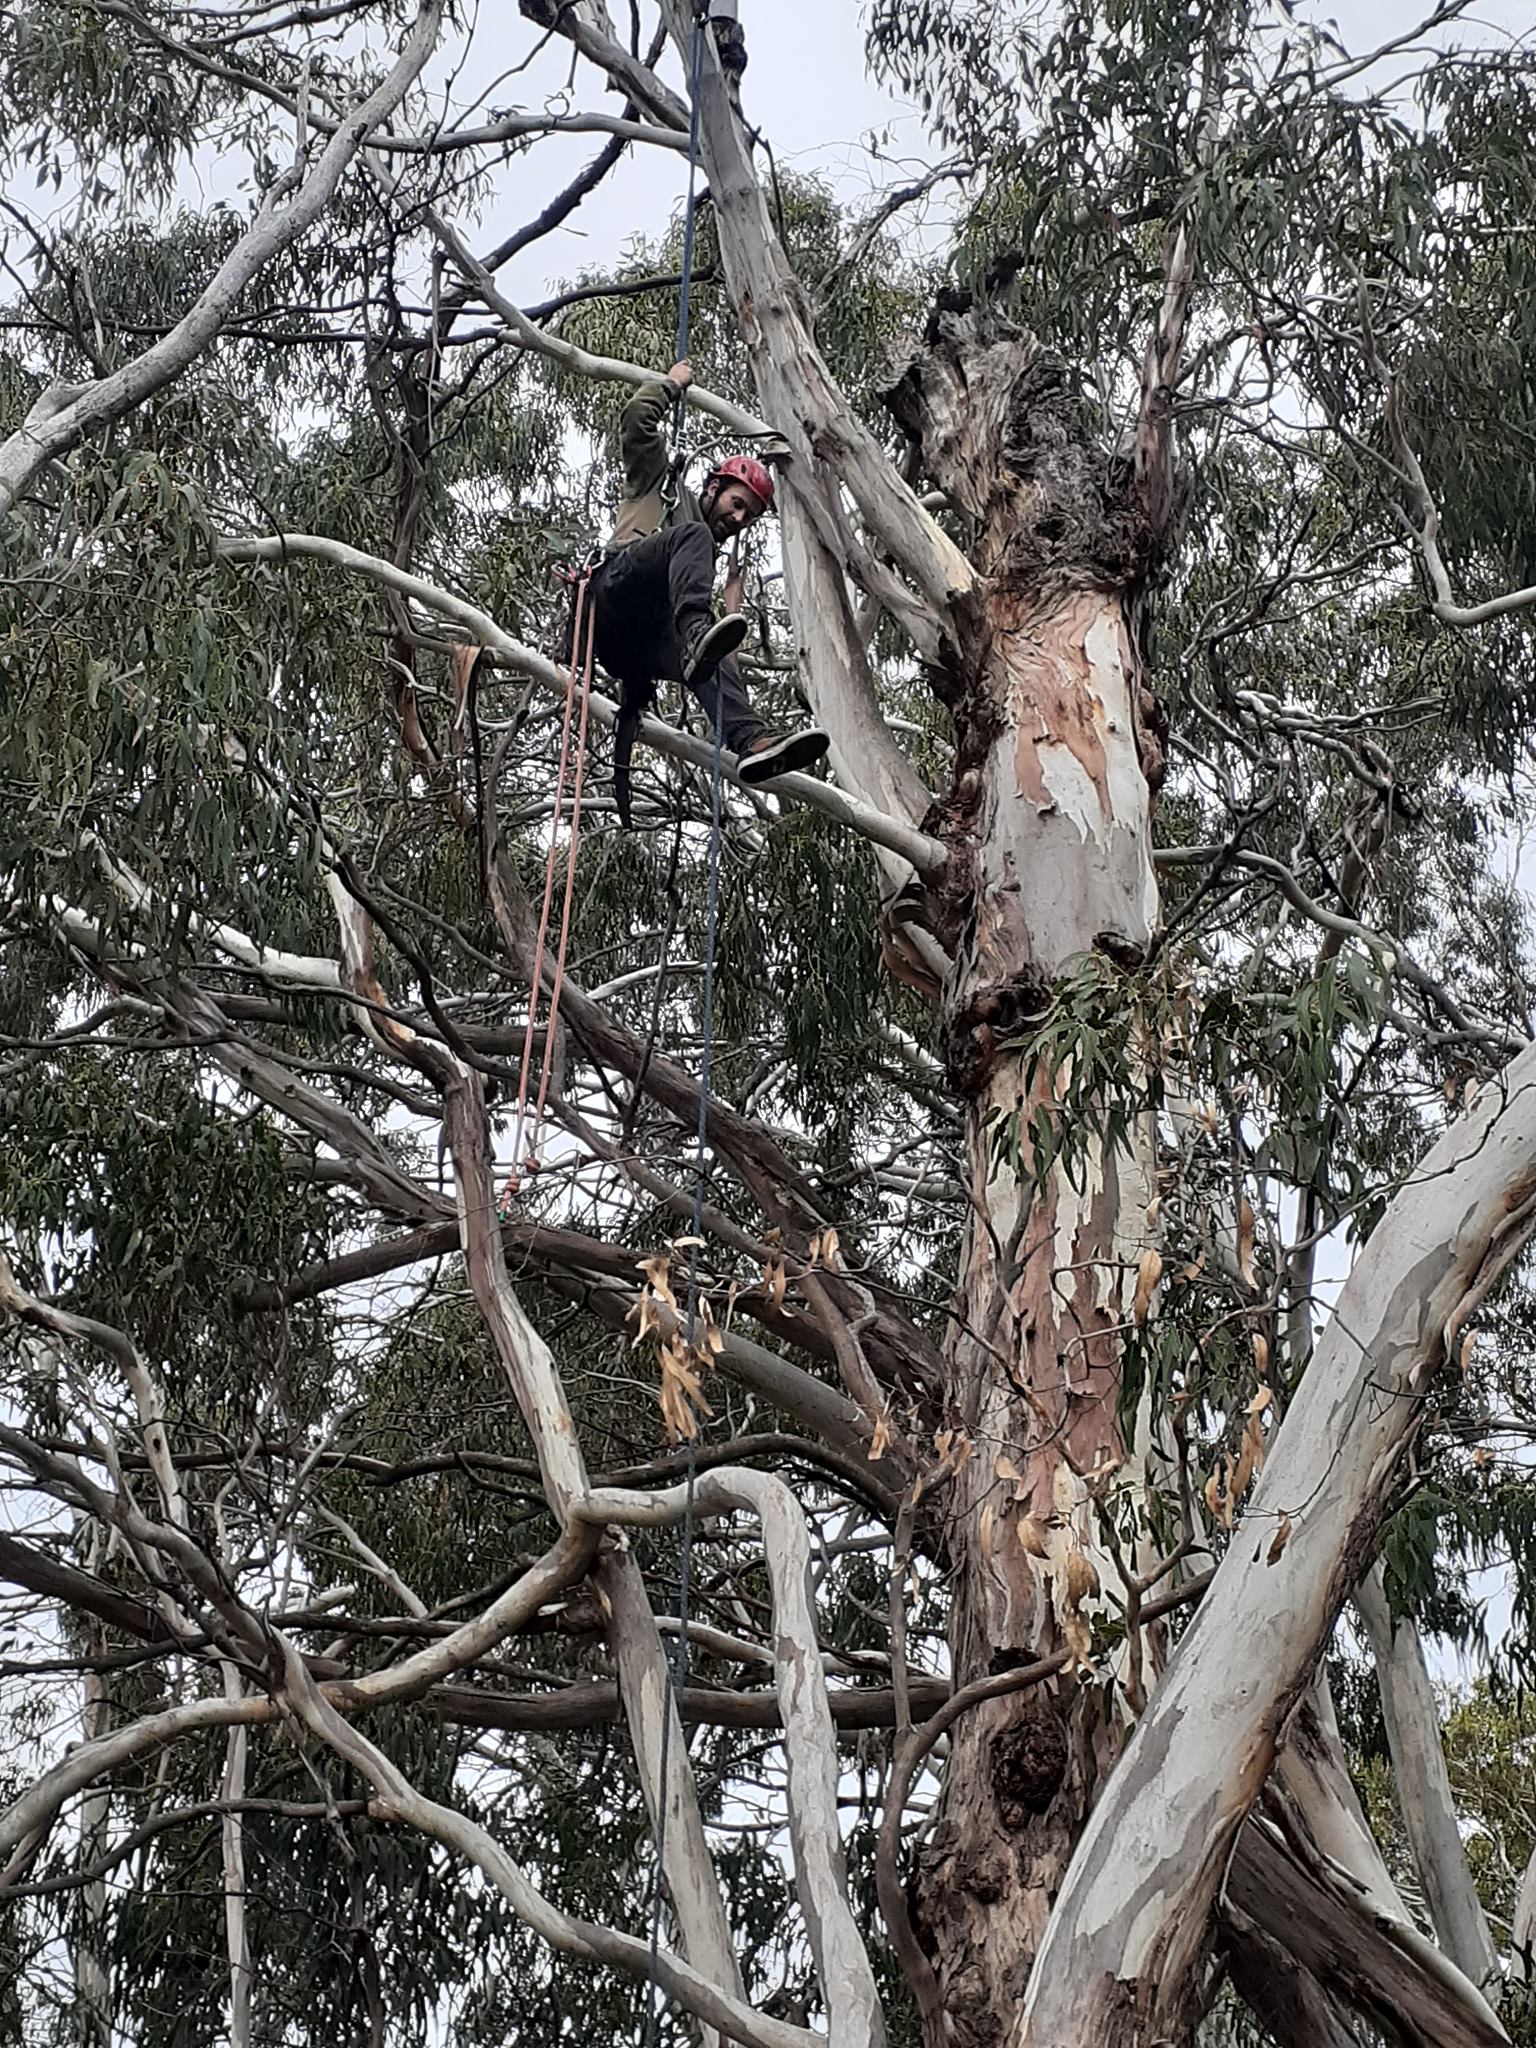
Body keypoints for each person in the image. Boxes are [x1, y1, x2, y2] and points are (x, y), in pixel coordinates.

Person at [590, 358, 829, 807]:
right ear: (713, 487)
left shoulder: (699, 556)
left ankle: (752, 741)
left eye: (749, 517)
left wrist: (729, 616)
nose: (738, 519)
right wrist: (672, 385)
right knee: (695, 555)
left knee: (714, 658)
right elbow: (636, 421)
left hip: (636, 649)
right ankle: (698, 633)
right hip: (613, 597)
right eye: (737, 504)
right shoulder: (661, 484)